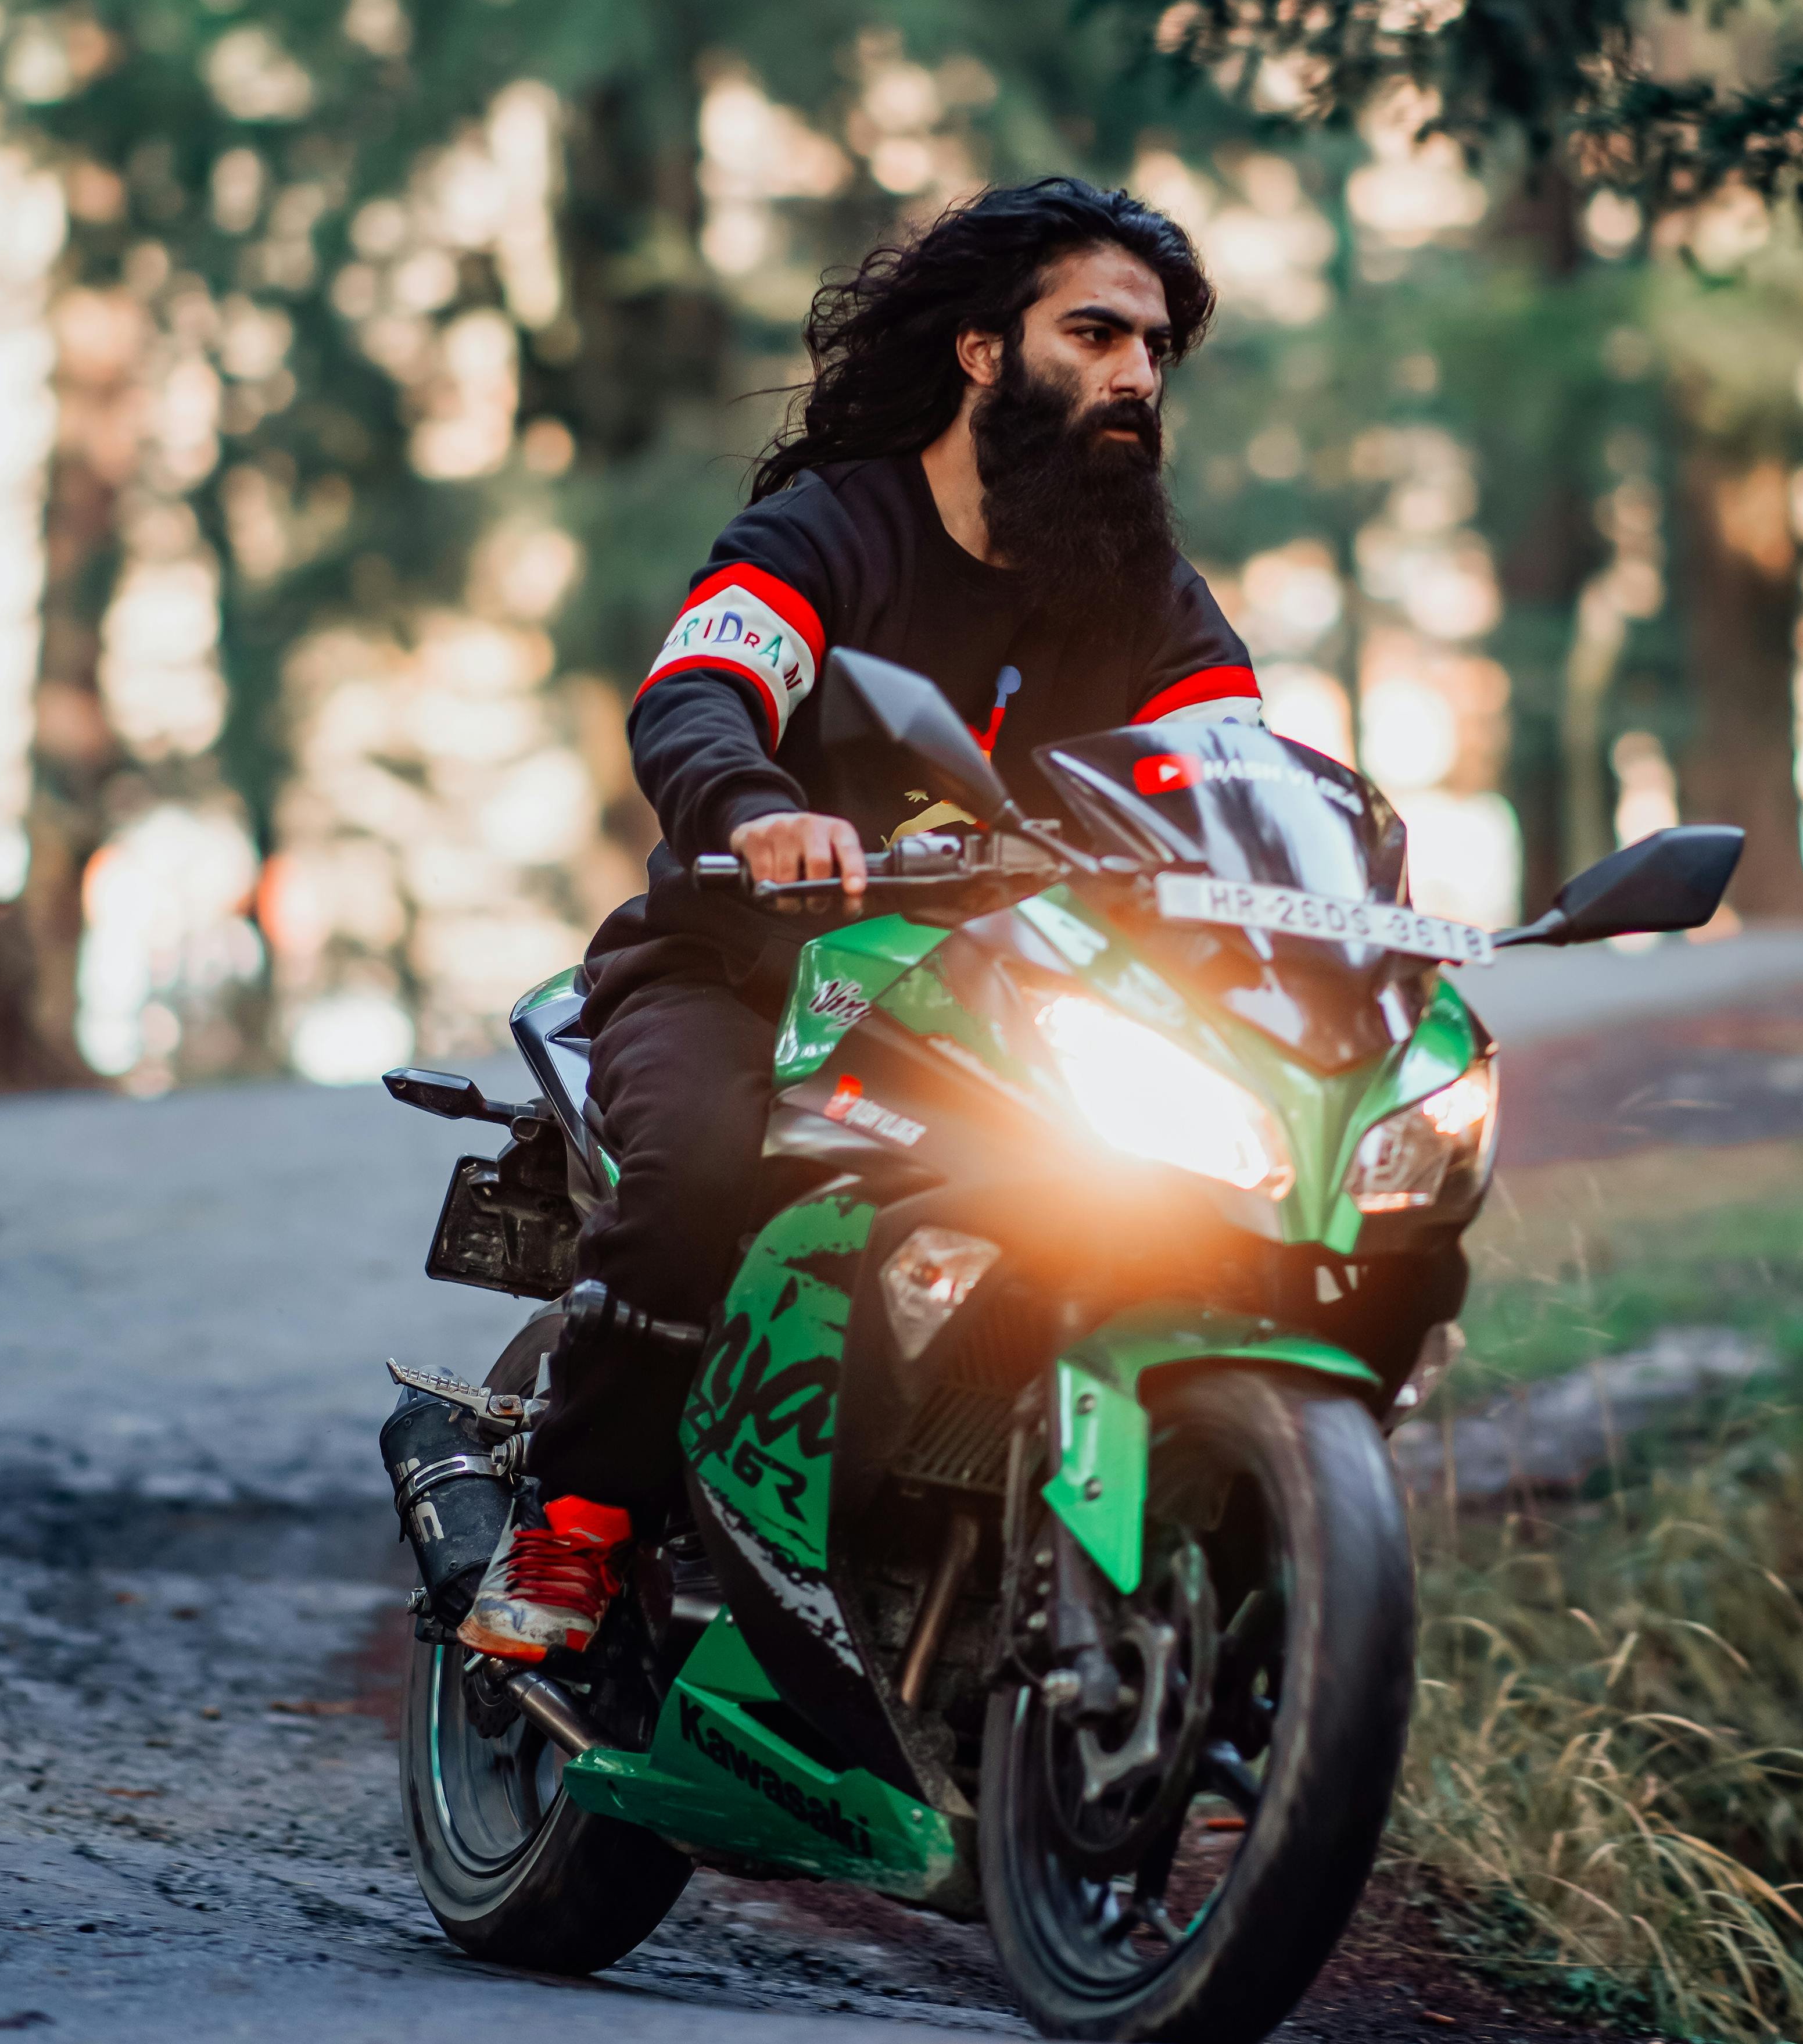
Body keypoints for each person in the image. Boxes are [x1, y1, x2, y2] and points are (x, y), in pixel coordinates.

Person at [429, 176, 1260, 1663]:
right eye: (1096, 332)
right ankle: (575, 1523)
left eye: (1153, 348)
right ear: (985, 352)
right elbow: (699, 687)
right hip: (746, 972)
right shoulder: (830, 530)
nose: (1137, 374)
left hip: (1008, 1015)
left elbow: (1236, 780)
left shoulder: (1146, 597)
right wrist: (756, 808)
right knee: (695, 1177)